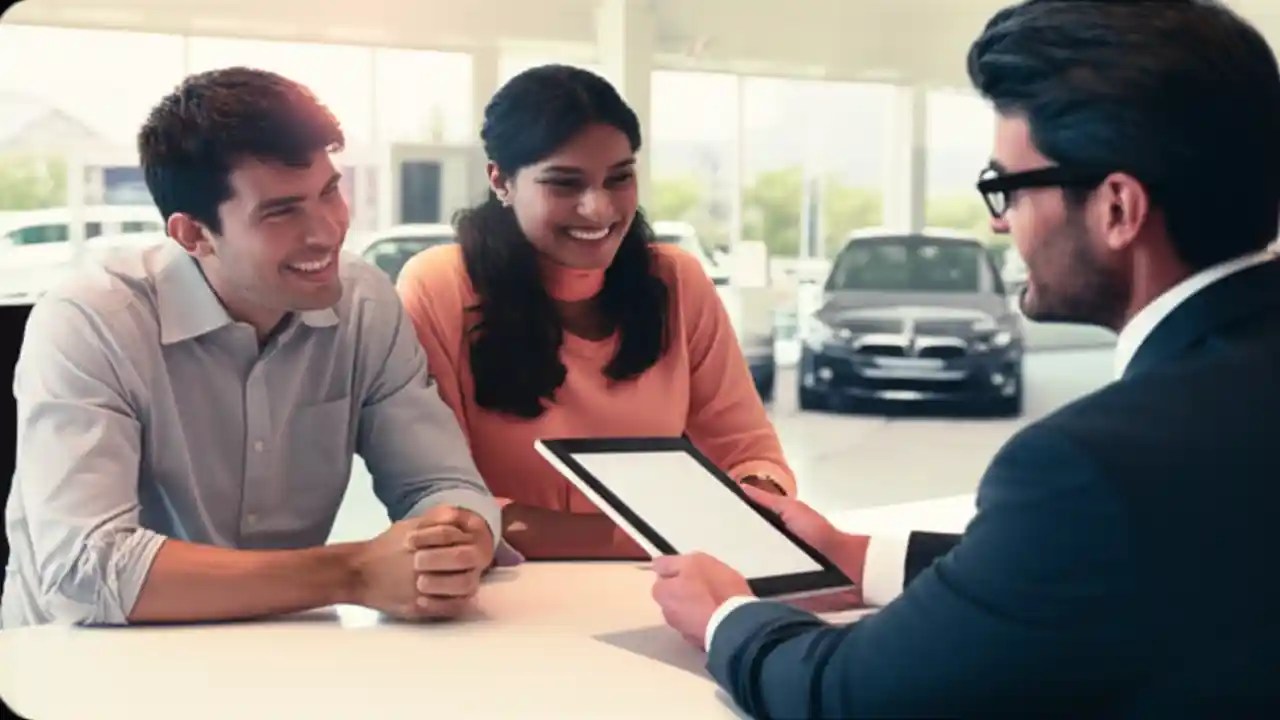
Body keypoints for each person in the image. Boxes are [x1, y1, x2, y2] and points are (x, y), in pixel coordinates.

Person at [649, 0, 1280, 716]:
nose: (997, 221)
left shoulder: (1092, 468)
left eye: (1007, 188)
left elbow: (849, 695)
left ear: (1117, 210)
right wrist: (859, 558)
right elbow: (1119, 561)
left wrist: (726, 614)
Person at [1, 67, 500, 629]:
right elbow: (84, 572)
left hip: (276, 654)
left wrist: (454, 546)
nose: (326, 231)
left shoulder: (364, 303)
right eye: (281, 211)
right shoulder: (92, 320)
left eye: (330, 191)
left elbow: (441, 486)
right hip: (80, 666)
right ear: (193, 235)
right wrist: (353, 573)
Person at [396, 64, 795, 561]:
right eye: (565, 184)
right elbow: (443, 506)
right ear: (500, 180)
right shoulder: (439, 287)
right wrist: (659, 535)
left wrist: (757, 501)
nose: (599, 209)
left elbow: (748, 453)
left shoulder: (676, 281)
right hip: (505, 599)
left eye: (619, 178)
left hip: (663, 591)